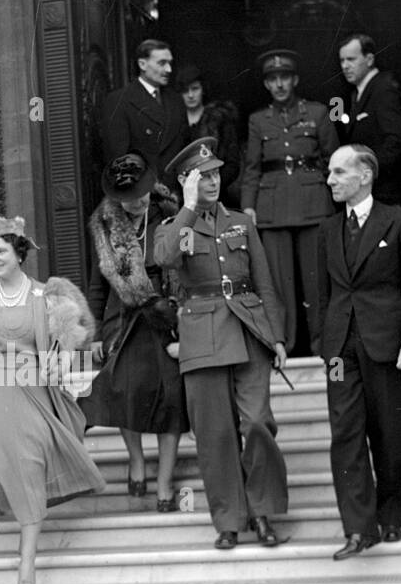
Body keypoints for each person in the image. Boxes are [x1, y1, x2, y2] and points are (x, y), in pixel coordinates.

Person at [0, 216, 106, 584]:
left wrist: (62, 362)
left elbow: (69, 346)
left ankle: (27, 558)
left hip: (37, 392)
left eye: (1, 250)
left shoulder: (48, 296)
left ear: (19, 254)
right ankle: (27, 543)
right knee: (10, 468)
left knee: (31, 464)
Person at [154, 137, 290, 551]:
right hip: (201, 333)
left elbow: (265, 282)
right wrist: (189, 206)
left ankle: (262, 512)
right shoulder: (172, 227)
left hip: (249, 330)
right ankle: (229, 520)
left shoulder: (241, 223)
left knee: (257, 424)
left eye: (215, 173)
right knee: (214, 434)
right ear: (186, 181)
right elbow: (164, 260)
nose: (213, 181)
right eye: (203, 176)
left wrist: (278, 336)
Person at [315, 145, 401, 560]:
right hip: (339, 349)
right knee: (344, 434)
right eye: (330, 173)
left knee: (391, 434)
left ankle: (391, 517)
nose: (330, 180)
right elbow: (322, 293)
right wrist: (322, 344)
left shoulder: (399, 222)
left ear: (364, 175)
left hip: (388, 343)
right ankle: (358, 528)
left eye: (338, 172)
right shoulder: (327, 230)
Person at [81, 153, 187, 511]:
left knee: (171, 397)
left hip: (167, 312)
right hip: (123, 317)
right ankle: (137, 459)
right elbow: (98, 285)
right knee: (126, 391)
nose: (138, 202)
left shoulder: (172, 214)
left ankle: (164, 480)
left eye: (142, 194)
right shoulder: (105, 225)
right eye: (129, 198)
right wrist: (95, 334)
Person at [239, 49, 340, 355]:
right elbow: (252, 167)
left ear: (294, 80)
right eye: (273, 79)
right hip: (272, 208)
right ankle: (285, 345)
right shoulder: (258, 120)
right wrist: (248, 206)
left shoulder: (319, 113)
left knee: (316, 281)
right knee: (278, 284)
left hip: (313, 204)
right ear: (267, 85)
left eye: (285, 78)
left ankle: (323, 345)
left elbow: (332, 160)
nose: (280, 84)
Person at [338, 34, 401, 209]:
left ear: (369, 59)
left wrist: (366, 173)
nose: (345, 66)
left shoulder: (383, 89)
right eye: (342, 61)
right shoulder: (358, 94)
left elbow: (397, 140)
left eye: (351, 59)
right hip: (373, 194)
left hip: (387, 194)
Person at [100, 39, 188, 180]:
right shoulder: (119, 101)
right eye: (161, 63)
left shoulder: (176, 100)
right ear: (142, 64)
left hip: (176, 190)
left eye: (170, 63)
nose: (168, 70)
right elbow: (118, 158)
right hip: (141, 192)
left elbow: (185, 148)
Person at [176, 63, 241, 201]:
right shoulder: (174, 122)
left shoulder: (219, 119)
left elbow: (232, 162)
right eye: (185, 90)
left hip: (216, 193)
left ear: (203, 89)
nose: (190, 95)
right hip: (183, 196)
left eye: (195, 89)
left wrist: (212, 184)